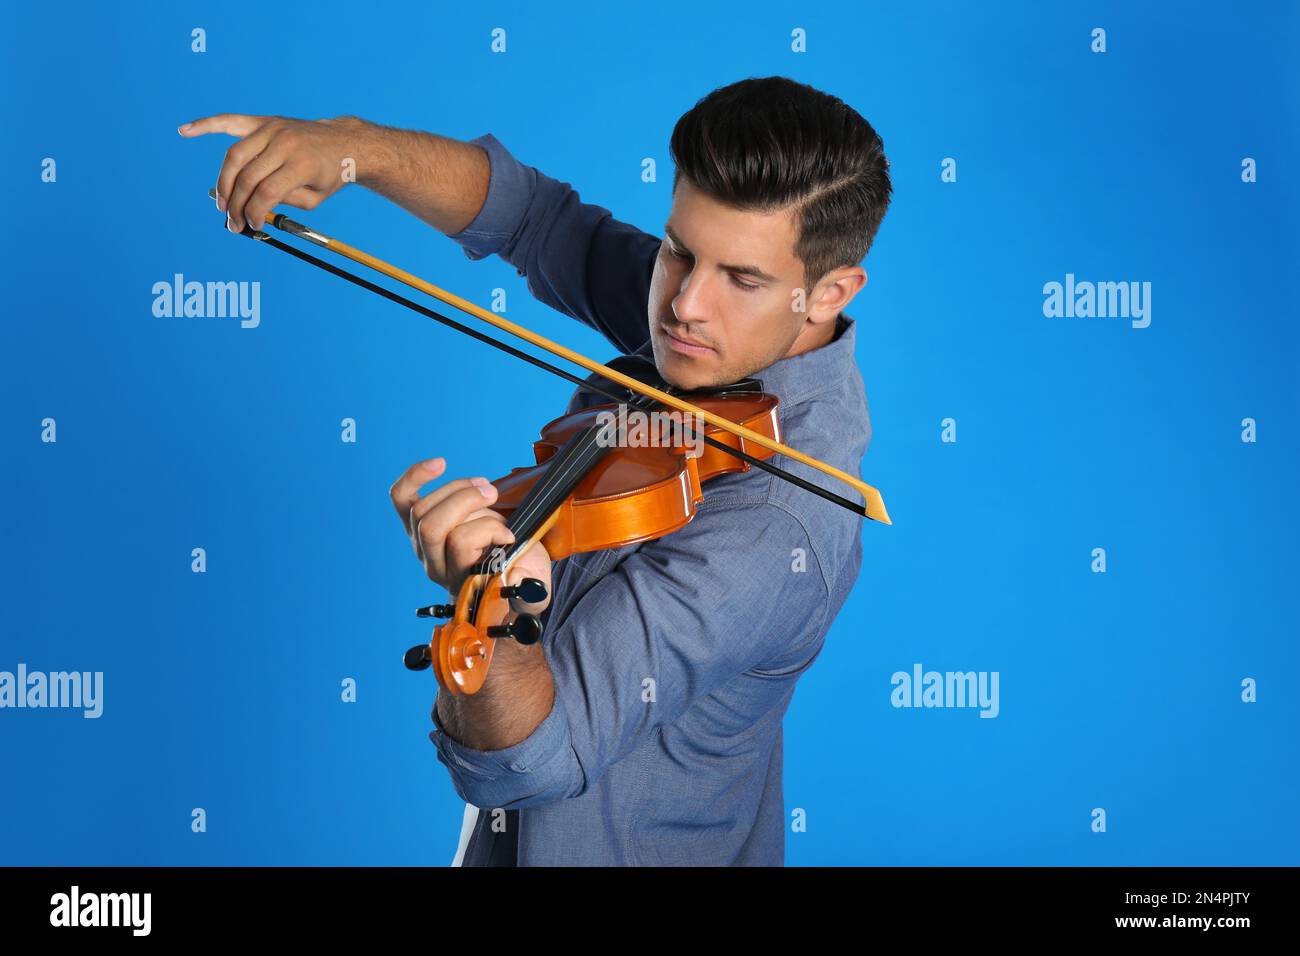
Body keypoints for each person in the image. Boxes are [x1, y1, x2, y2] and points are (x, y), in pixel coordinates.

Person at [182, 75, 892, 866]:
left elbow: (531, 762)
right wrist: (354, 150)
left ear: (828, 292)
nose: (685, 304)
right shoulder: (714, 335)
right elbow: (536, 218)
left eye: (742, 278)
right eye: (678, 250)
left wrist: (495, 616)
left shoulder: (777, 526)